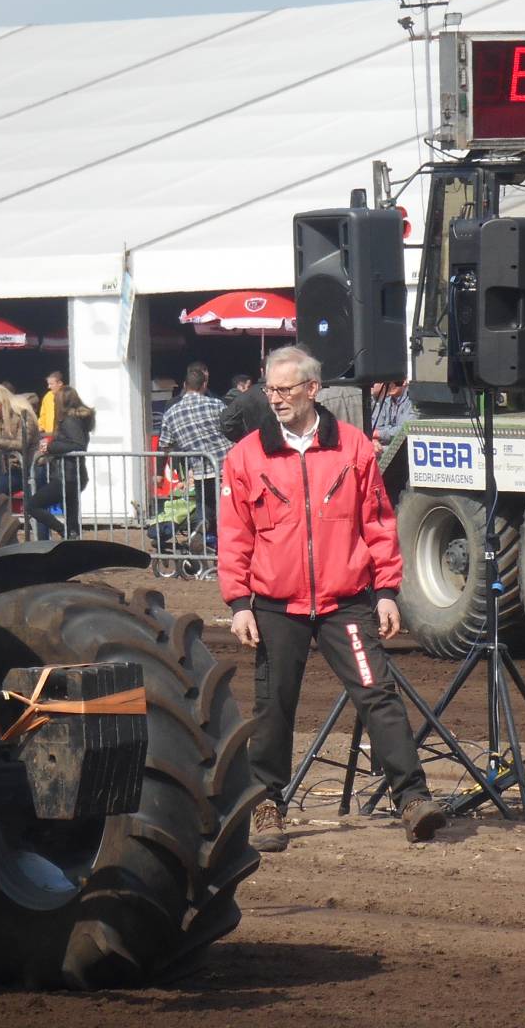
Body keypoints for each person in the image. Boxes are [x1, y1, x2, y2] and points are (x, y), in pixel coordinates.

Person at [220, 344, 447, 851]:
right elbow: (235, 534)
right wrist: (238, 603)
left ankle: (413, 800)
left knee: (377, 694)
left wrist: (387, 591)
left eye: (284, 389)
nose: (274, 399)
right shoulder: (246, 456)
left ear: (313, 389)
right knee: (273, 707)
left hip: (347, 602)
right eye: (269, 389)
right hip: (276, 606)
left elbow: (378, 523)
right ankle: (267, 808)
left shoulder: (354, 448)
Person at [158, 362, 231, 544]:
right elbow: (232, 429)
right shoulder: (216, 405)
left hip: (199, 469)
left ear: (184, 386)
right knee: (227, 508)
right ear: (204, 385)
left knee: (203, 506)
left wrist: (159, 474)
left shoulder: (172, 413)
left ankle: (204, 534)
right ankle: (225, 544)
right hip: (226, 466)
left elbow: (164, 446)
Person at [26, 386, 93, 538]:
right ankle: (71, 537)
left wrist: (50, 447)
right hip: (73, 474)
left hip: (67, 476)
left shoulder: (69, 420)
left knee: (32, 505)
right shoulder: (78, 420)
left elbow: (78, 444)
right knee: (71, 514)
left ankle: (63, 531)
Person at [219, 372, 275, 444]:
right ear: (240, 386)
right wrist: (244, 438)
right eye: (248, 386)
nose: (250, 389)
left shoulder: (223, 400)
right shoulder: (244, 398)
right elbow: (226, 421)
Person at [369, 380, 416, 445]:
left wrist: (379, 434)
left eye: (395, 382)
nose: (391, 385)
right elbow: (375, 426)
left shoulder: (413, 400)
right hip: (383, 447)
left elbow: (405, 429)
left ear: (405, 381)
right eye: (388, 381)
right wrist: (374, 441)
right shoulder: (384, 400)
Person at [36, 368, 66, 435]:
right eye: (48, 384)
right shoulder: (48, 396)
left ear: (60, 383)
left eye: (51, 384)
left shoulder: (68, 396)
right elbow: (43, 415)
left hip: (63, 436)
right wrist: (37, 429)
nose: (48, 387)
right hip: (48, 435)